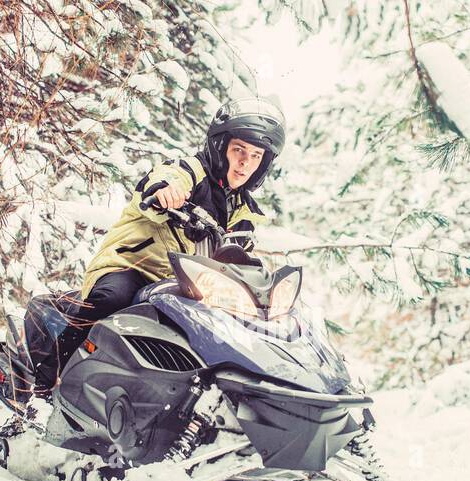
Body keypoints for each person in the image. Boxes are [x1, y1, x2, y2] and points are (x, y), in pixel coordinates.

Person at [25, 97, 287, 392]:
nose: (245, 163)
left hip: (185, 288)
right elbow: (162, 179)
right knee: (112, 299)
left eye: (255, 155)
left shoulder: (243, 211)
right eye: (239, 149)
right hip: (134, 267)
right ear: (220, 146)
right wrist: (165, 191)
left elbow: (240, 260)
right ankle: (46, 381)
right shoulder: (189, 171)